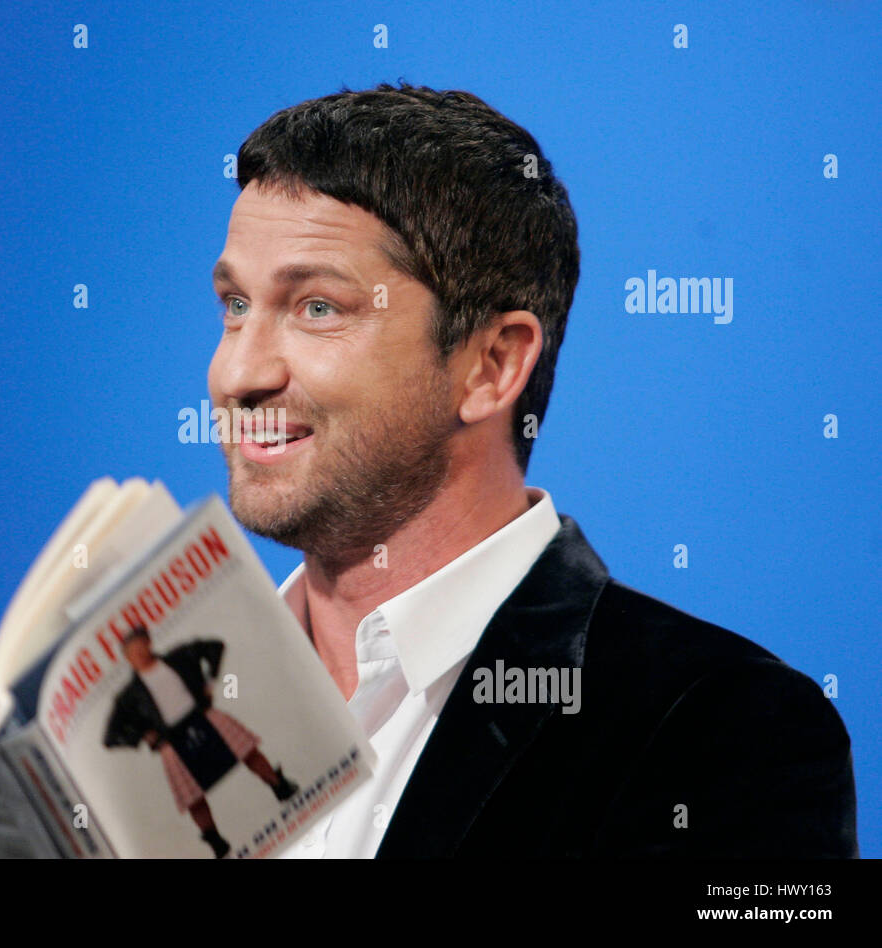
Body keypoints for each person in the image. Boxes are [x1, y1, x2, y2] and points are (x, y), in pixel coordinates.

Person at [206, 82, 857, 858]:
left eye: (317, 308)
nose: (236, 373)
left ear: (491, 364)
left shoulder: (725, 731)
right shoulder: (172, 711)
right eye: (236, 305)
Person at [102, 624, 298, 858]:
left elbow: (215, 646)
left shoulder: (179, 657)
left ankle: (279, 785)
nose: (139, 654)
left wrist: (209, 680)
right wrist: (143, 735)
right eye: (132, 653)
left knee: (247, 751)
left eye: (141, 647)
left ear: (149, 643)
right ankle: (215, 840)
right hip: (171, 742)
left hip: (203, 716)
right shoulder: (128, 696)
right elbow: (110, 736)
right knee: (193, 797)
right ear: (127, 658)